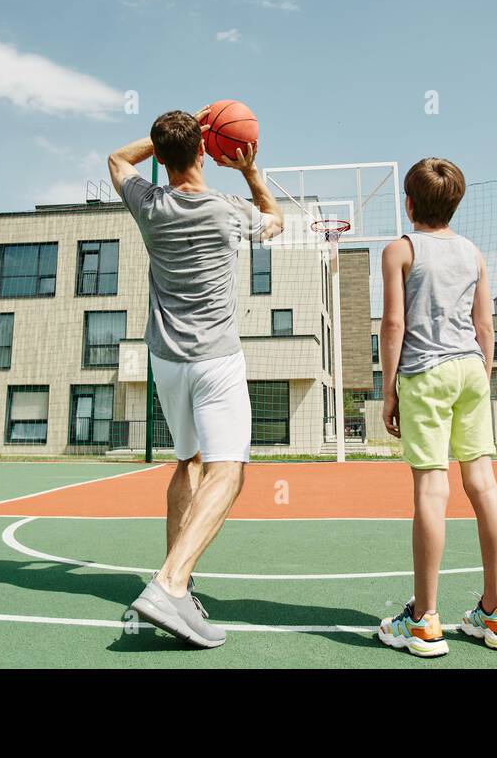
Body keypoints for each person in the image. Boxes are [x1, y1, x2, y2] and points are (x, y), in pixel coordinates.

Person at [108, 108, 283, 648]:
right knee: (228, 471)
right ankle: (170, 583)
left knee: (188, 462)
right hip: (215, 359)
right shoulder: (229, 210)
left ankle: (178, 584)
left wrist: (169, 139)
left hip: (166, 359)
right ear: (206, 153)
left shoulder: (148, 203)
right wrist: (251, 173)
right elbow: (273, 220)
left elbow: (116, 159)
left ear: (160, 159)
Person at [376, 157, 497, 657]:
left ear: (409, 202)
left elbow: (393, 325)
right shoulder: (473, 253)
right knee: (482, 484)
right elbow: (486, 326)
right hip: (470, 370)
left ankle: (423, 620)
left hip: (425, 372)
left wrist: (391, 389)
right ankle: (496, 612)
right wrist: (481, 374)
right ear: (456, 202)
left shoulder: (400, 250)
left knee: (432, 491)